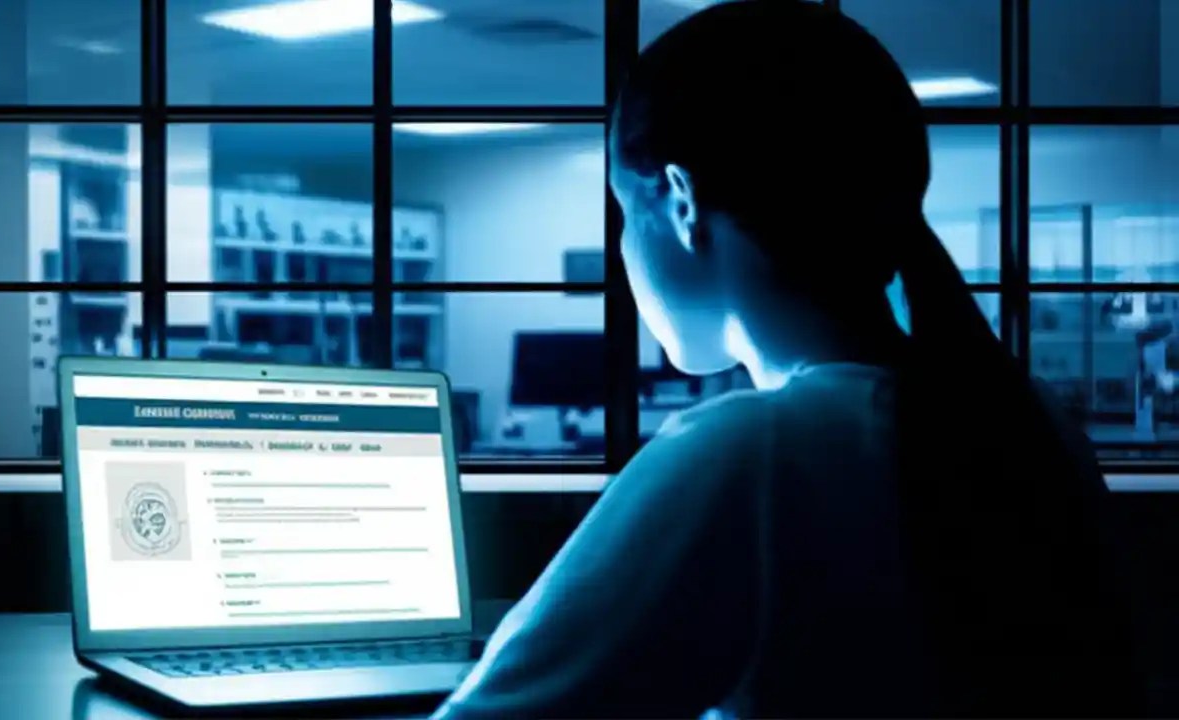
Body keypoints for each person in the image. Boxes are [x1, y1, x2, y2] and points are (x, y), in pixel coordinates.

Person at [431, 1, 1143, 717]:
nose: (622, 250)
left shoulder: (755, 452)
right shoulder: (1032, 423)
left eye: (622, 213)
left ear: (680, 202)